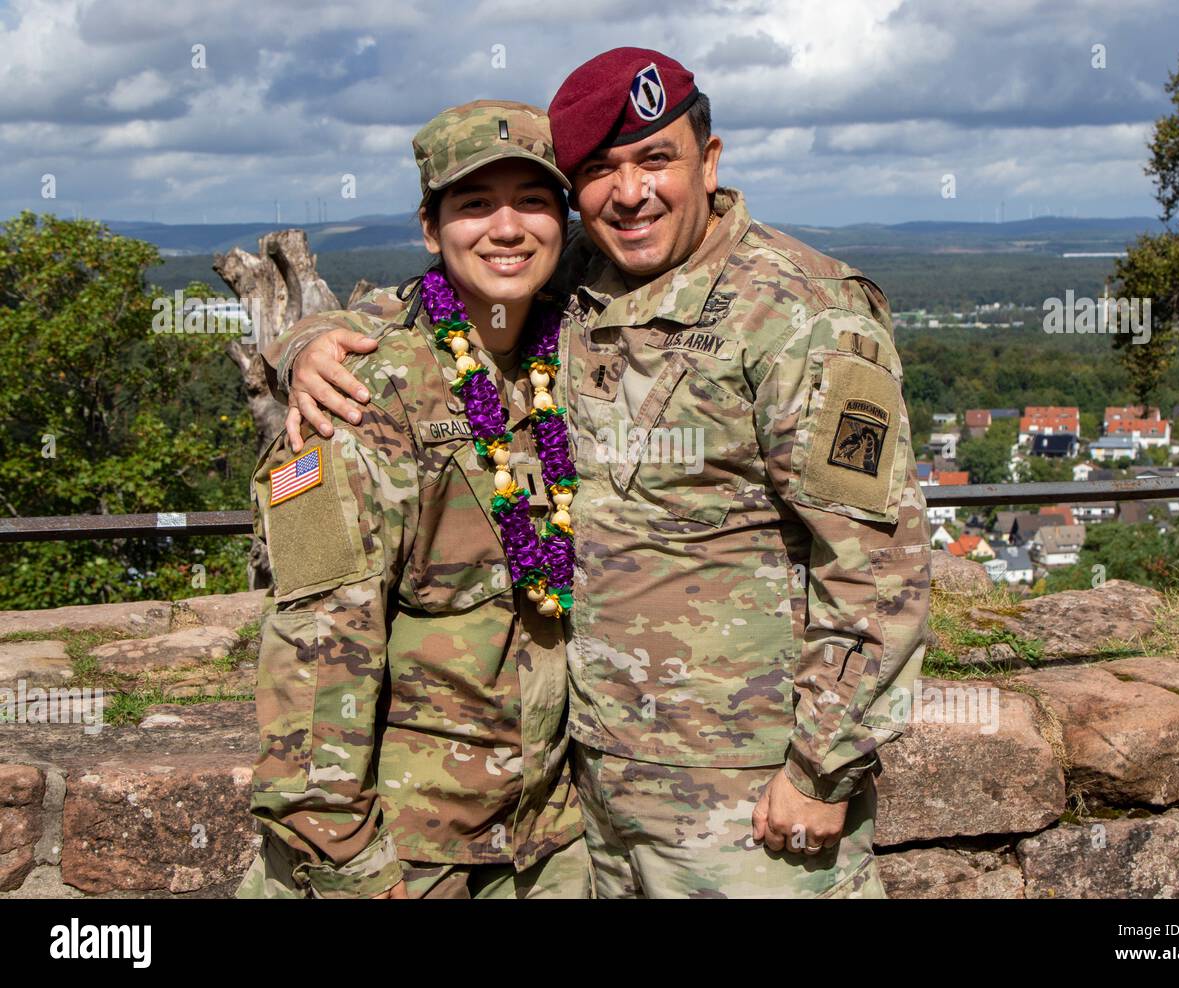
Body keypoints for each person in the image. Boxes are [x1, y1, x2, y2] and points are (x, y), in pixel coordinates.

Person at [269, 48, 931, 899]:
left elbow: (878, 566)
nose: (631, 193)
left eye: (657, 159)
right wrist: (304, 345)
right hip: (588, 806)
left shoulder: (803, 314)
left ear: (711, 161)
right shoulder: (577, 283)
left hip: (747, 795)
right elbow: (441, 298)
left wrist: (822, 770)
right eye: (600, 171)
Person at [236, 100, 592, 899]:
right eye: (473, 205)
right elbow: (316, 658)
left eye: (532, 202)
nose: (506, 228)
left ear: (563, 223)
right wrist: (350, 868)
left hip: (549, 838)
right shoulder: (360, 399)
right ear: (431, 229)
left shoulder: (577, 353)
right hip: (406, 851)